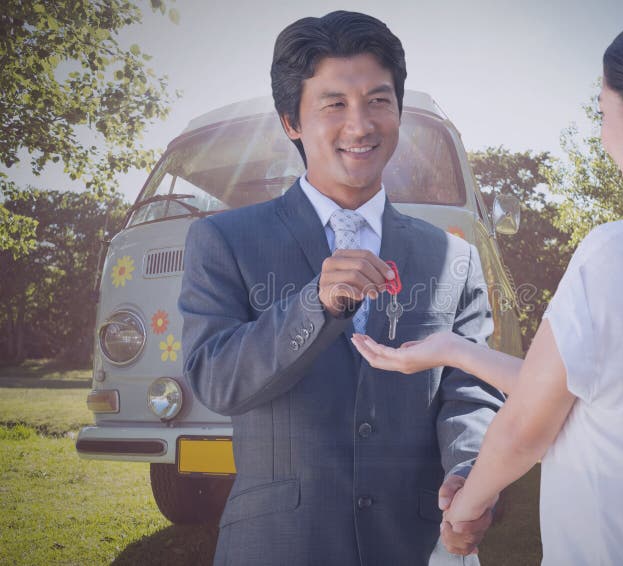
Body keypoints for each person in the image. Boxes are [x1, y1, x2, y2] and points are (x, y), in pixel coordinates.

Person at [353, 7, 623, 565]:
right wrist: (451, 349)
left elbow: (528, 426)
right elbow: (580, 394)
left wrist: (463, 515)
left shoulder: (622, 250)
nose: (604, 137)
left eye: (605, 114)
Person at [178, 10, 504, 566]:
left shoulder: (454, 257)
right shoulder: (223, 239)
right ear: (290, 122)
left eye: (379, 101)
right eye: (335, 104)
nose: (361, 125)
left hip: (417, 544)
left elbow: (470, 391)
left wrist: (471, 470)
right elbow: (215, 378)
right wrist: (315, 303)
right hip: (279, 547)